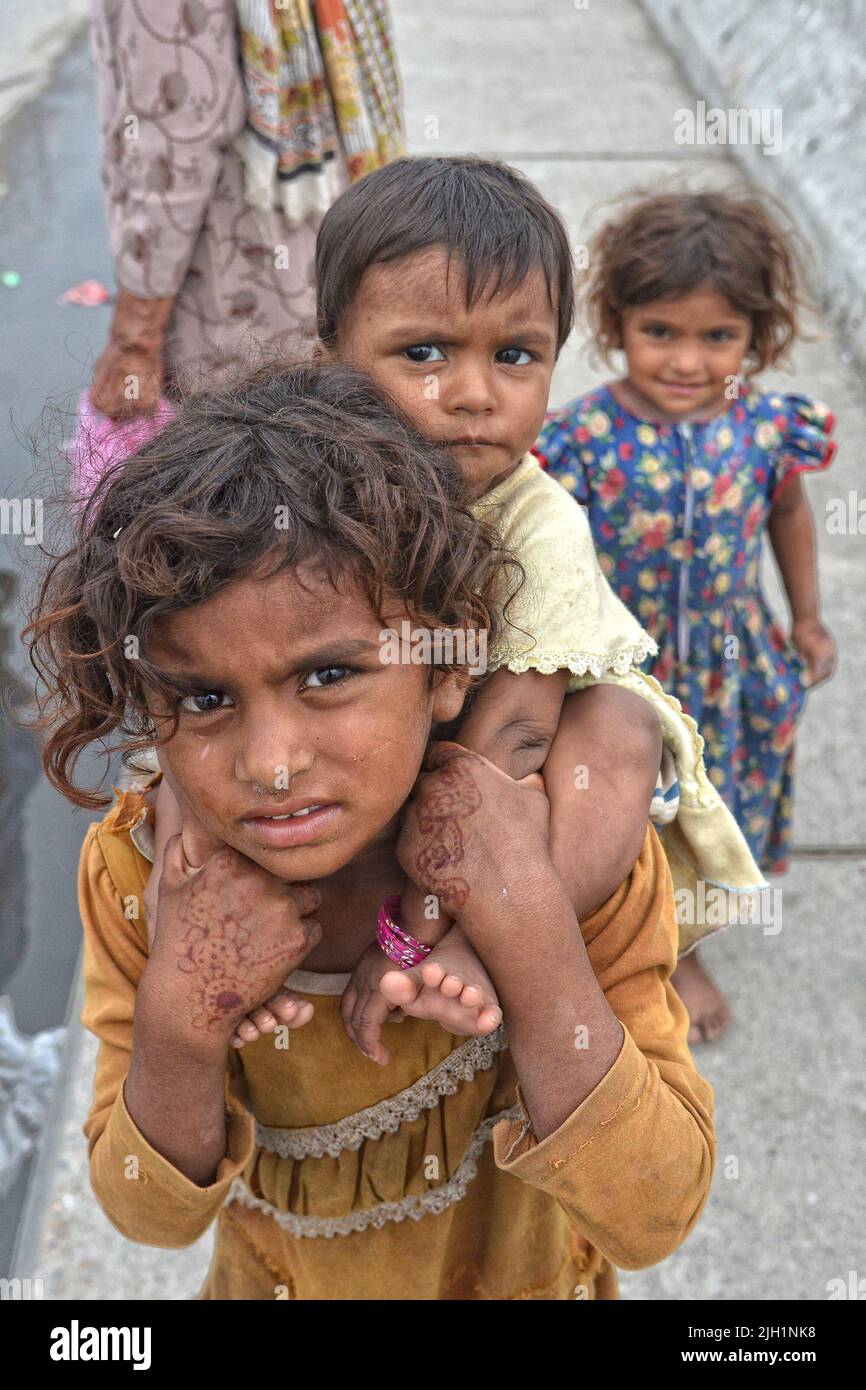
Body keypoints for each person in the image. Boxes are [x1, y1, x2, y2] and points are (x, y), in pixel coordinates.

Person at [25, 360, 714, 1300]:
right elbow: (149, 1218)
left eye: (328, 677)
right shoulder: (147, 879)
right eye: (206, 697)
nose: (271, 763)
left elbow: (656, 1213)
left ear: (445, 662)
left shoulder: (551, 845)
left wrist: (530, 937)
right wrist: (181, 1024)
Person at [146, 157, 766, 1063]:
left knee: (623, 732)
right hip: (372, 726)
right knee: (177, 754)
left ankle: (497, 944)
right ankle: (186, 928)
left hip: (505, 753)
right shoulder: (308, 488)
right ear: (331, 360)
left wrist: (418, 926)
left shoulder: (538, 524)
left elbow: (509, 742)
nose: (473, 393)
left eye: (514, 355)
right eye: (423, 353)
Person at [534, 189, 837, 1043]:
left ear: (757, 338)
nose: (687, 361)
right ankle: (670, 950)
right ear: (616, 321)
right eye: (660, 331)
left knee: (722, 799)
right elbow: (546, 548)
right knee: (642, 804)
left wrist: (806, 618)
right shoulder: (583, 439)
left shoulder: (768, 430)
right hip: (630, 674)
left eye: (719, 337)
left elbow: (786, 515)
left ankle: (692, 921)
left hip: (732, 667)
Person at [88, 0, 404, 418]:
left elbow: (174, 144)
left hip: (240, 279)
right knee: (316, 431)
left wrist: (135, 341)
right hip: (326, 245)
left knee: (248, 447)